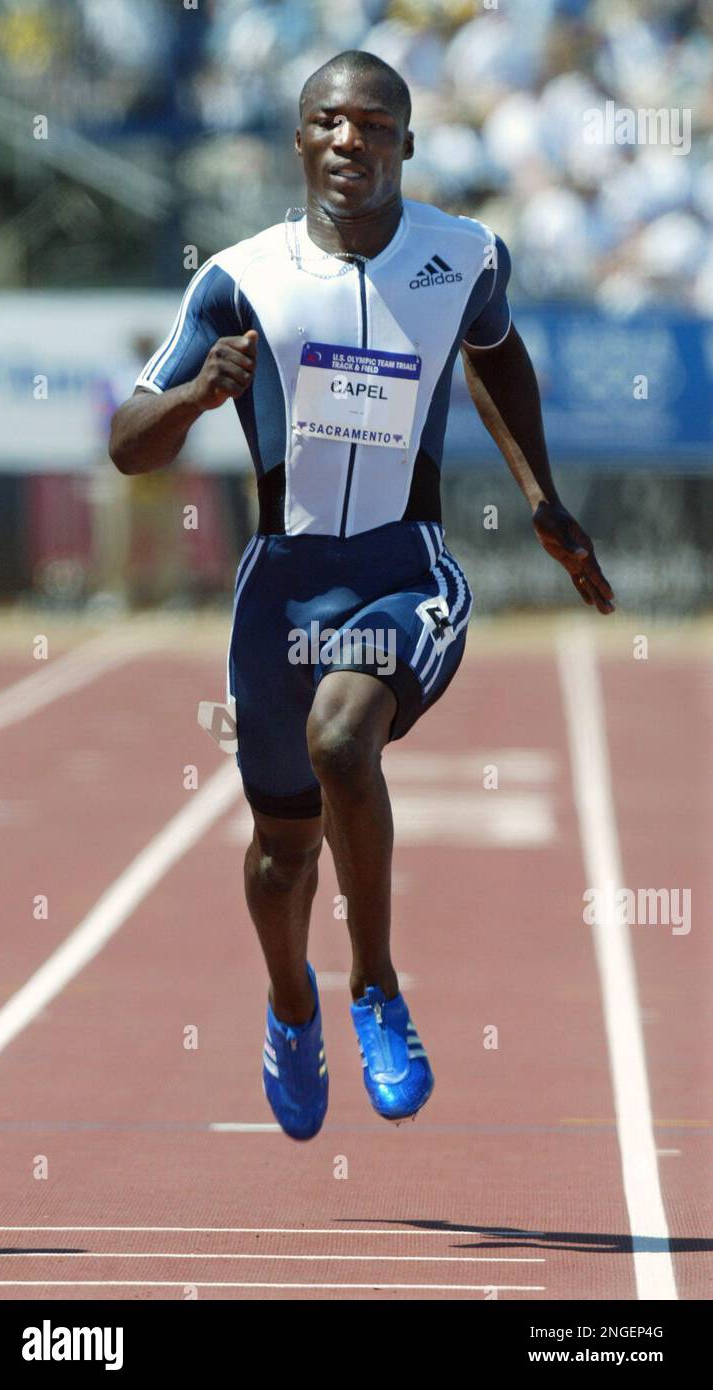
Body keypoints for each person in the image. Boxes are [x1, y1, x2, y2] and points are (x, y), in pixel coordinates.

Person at [109, 50, 614, 1141]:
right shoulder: (238, 277)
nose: (351, 141)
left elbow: (496, 353)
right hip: (280, 592)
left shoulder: (464, 255)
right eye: (330, 123)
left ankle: (375, 985)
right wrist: (199, 393)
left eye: (375, 125)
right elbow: (125, 444)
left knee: (347, 740)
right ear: (300, 140)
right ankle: (292, 1004)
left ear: (407, 144)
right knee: (282, 848)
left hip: (405, 569)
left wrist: (544, 498)